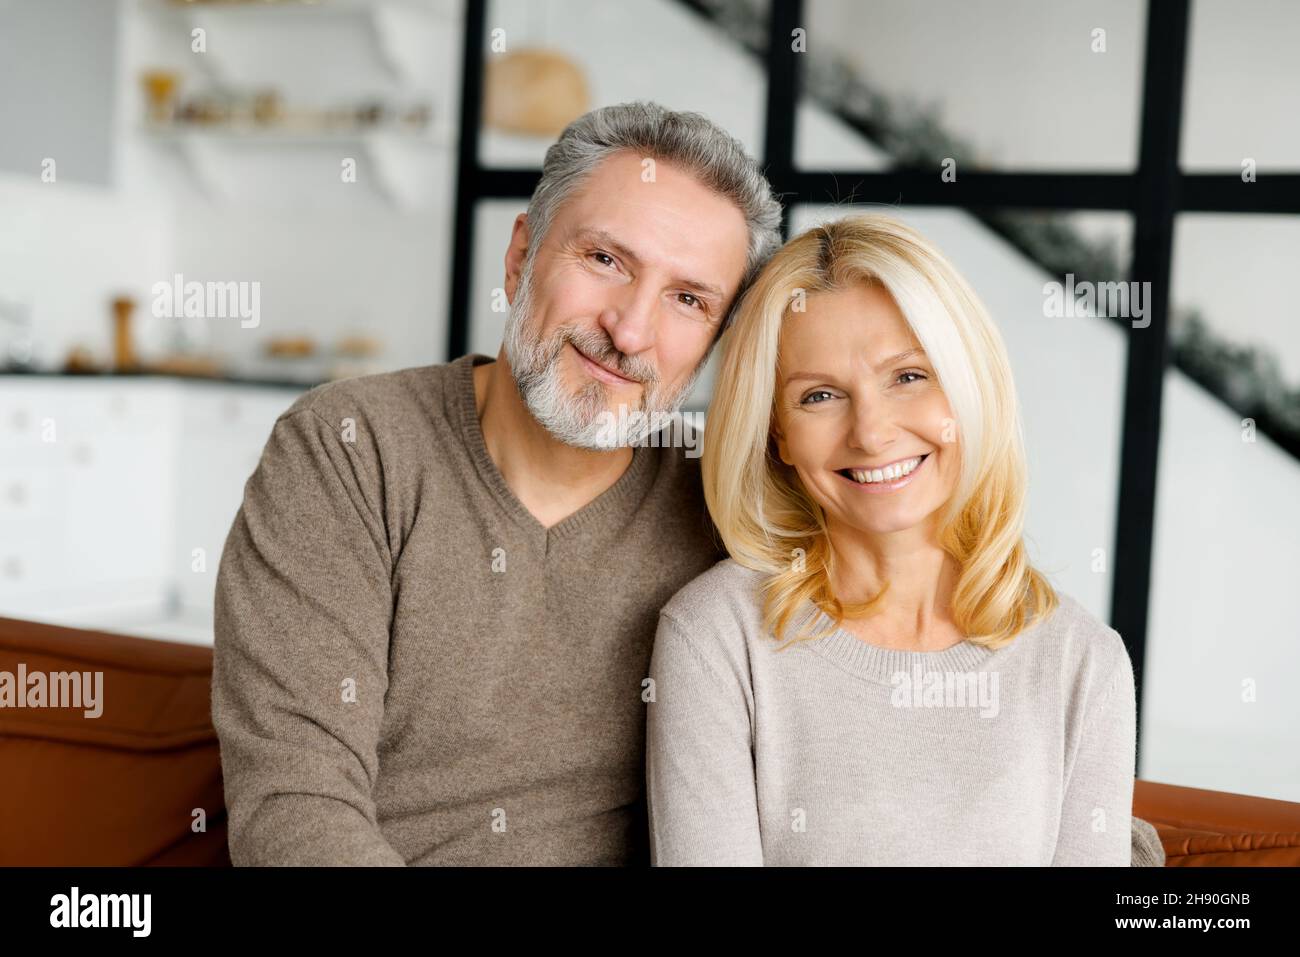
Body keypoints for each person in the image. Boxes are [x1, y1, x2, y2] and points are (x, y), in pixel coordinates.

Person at [211, 101, 782, 865]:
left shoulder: (727, 503)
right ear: (520, 258)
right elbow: (295, 805)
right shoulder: (349, 447)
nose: (631, 331)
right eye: (606, 260)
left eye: (688, 299)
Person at [646, 212, 1156, 866]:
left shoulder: (1084, 662)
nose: (872, 432)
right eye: (820, 395)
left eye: (908, 376)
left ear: (966, 388)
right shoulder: (715, 636)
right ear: (777, 432)